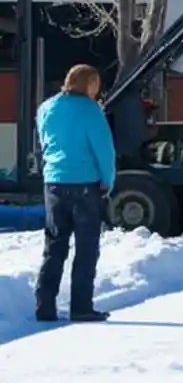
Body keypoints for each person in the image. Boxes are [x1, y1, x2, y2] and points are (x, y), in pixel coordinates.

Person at [34, 64, 116, 323]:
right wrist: (108, 180)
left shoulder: (46, 108)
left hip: (54, 183)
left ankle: (44, 307)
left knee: (54, 246)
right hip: (85, 186)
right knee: (86, 248)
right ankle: (81, 307)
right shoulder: (91, 111)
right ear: (89, 84)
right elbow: (104, 149)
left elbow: (44, 142)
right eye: (97, 84)